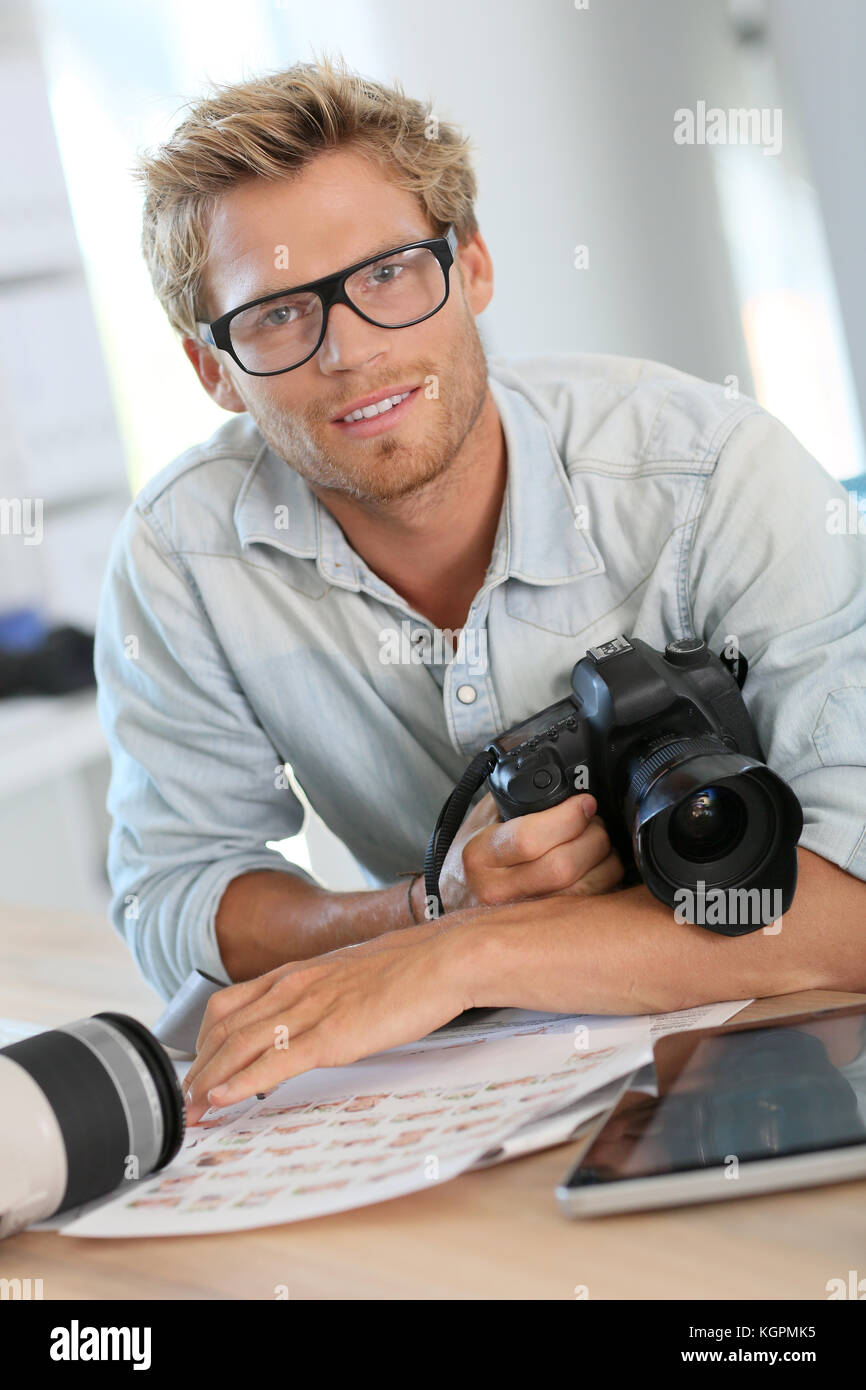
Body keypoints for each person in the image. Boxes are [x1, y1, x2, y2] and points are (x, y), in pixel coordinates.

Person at [92, 57, 866, 1121]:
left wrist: (460, 956)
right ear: (211, 369)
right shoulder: (182, 555)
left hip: (794, 1054)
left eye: (388, 273)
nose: (352, 352)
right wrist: (425, 905)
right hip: (493, 1105)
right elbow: (174, 890)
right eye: (275, 315)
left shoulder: (711, 474)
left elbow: (853, 914)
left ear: (474, 269)